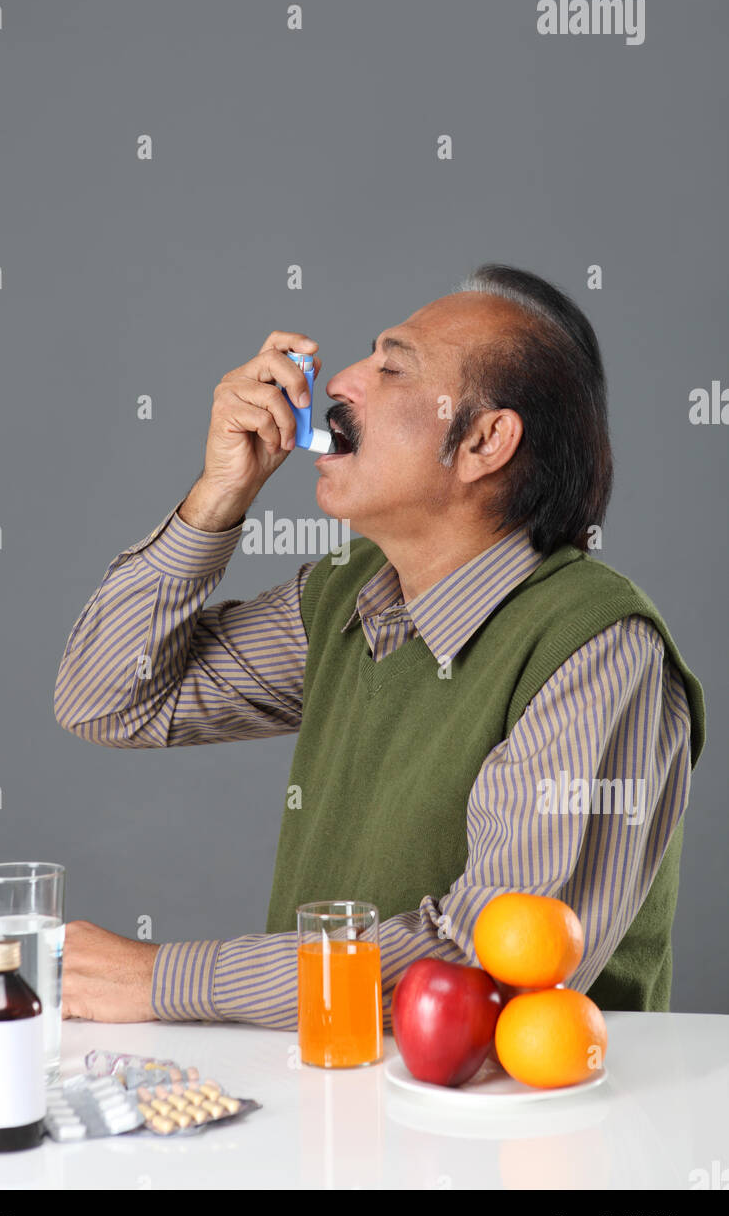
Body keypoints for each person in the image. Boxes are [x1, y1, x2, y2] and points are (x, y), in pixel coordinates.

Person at [53, 264, 705, 1029]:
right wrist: (217, 496)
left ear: (485, 442)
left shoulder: (597, 651)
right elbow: (109, 701)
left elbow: (493, 965)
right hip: (338, 1109)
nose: (342, 381)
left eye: (393, 367)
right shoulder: (353, 595)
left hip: (519, 1135)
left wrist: (166, 980)